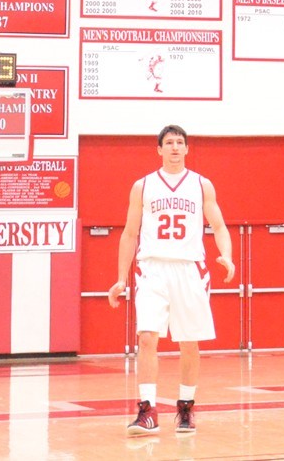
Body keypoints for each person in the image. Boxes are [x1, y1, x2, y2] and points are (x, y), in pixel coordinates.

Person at [108, 125, 235, 436]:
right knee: (147, 337)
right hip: (152, 268)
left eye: (180, 142)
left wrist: (227, 256)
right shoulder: (143, 186)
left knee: (188, 342)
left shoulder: (202, 185)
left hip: (189, 269)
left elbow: (218, 225)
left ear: (187, 149)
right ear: (159, 149)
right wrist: (120, 278)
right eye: (169, 143)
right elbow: (129, 233)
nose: (175, 147)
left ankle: (186, 407)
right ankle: (147, 409)